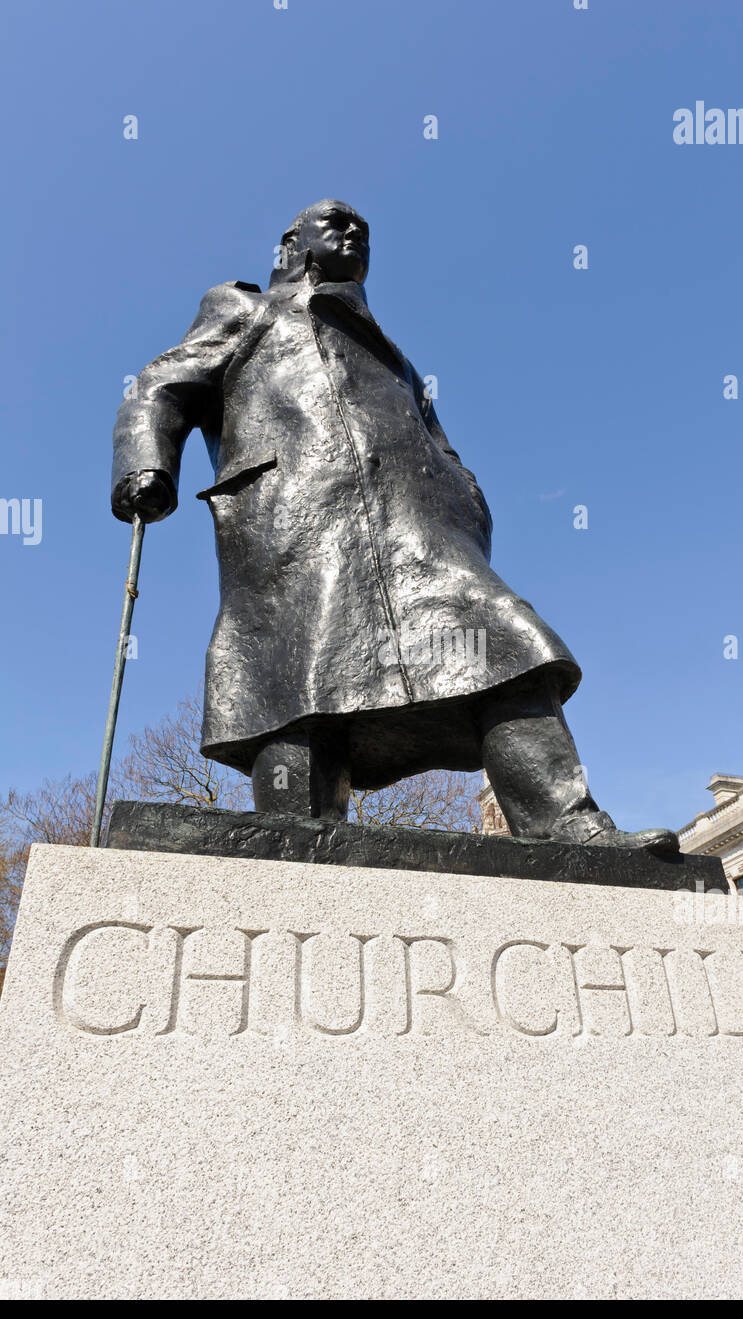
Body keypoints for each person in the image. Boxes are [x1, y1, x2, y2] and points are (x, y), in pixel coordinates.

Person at [112, 200, 677, 852]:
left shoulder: (396, 357)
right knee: (295, 683)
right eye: (337, 222)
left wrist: (466, 502)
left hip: (420, 533)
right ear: (291, 243)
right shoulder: (241, 308)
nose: (355, 234)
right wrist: (146, 465)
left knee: (508, 649)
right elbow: (158, 385)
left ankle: (568, 827)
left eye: (365, 231)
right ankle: (297, 840)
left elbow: (440, 443)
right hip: (298, 522)